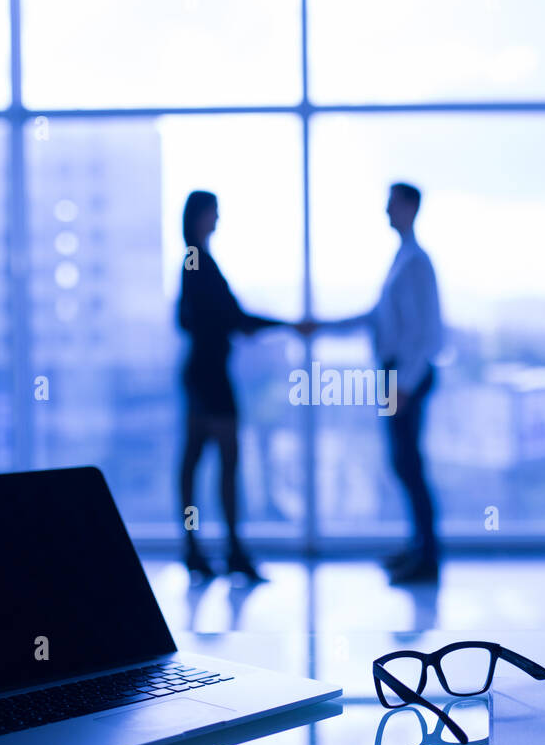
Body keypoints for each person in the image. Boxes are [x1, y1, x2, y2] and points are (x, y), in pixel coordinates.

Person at [302, 182, 444, 583]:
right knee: (403, 462)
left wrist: (405, 383)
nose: (385, 210)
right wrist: (324, 326)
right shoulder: (403, 259)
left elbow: (426, 332)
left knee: (409, 463)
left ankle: (427, 556)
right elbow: (377, 318)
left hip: (404, 376)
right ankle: (419, 547)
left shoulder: (416, 263)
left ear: (411, 207)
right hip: (397, 375)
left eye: (392, 204)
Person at [176, 190, 283, 583]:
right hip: (210, 376)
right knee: (221, 461)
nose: (217, 220)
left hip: (203, 373)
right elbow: (230, 318)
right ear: (199, 216)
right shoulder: (198, 262)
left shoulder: (196, 261)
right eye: (214, 213)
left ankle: (201, 548)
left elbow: (194, 319)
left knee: (199, 461)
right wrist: (282, 325)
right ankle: (228, 549)